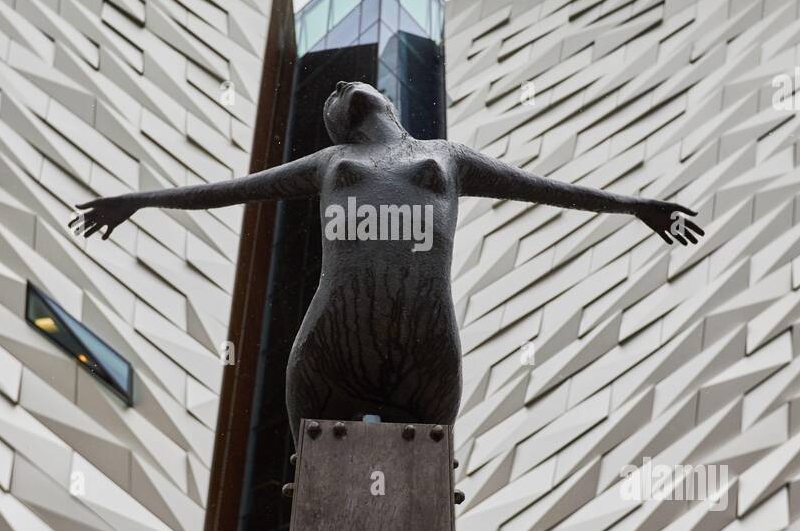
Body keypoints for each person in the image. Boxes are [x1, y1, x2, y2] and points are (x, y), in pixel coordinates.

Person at [71, 81, 704, 440]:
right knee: (311, 467)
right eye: (332, 99)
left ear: (391, 103)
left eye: (347, 87)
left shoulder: (447, 156)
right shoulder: (326, 164)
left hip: (427, 344)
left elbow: (546, 187)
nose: (340, 89)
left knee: (431, 468)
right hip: (329, 344)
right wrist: (140, 200)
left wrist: (636, 206)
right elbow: (230, 190)